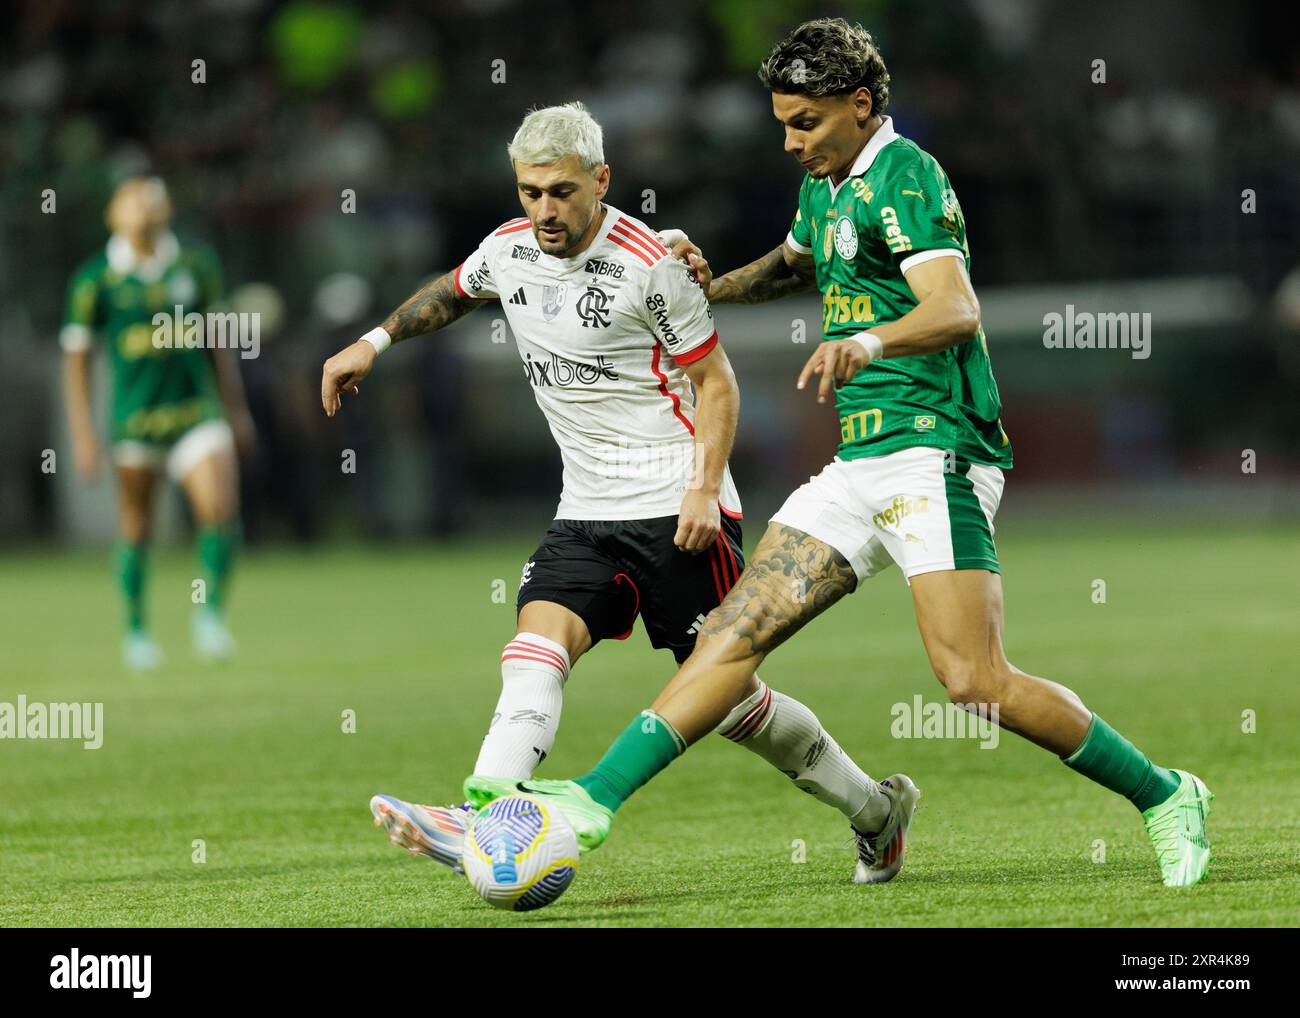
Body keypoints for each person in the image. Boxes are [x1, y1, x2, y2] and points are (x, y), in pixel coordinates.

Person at [463, 22, 1214, 889]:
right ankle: (591, 804)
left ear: (861, 106)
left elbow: (957, 306)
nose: (791, 141)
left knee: (972, 680)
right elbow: (797, 260)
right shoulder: (828, 185)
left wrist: (873, 343)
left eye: (806, 122)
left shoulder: (906, 175)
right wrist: (708, 283)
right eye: (783, 122)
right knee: (726, 641)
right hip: (861, 464)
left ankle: (1166, 794)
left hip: (937, 451)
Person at [321, 102, 896, 880]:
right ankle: (483, 816)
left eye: (560, 192)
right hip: (584, 510)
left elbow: (715, 385)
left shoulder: (651, 261)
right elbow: (457, 290)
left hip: (676, 506)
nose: (544, 211)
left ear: (602, 180)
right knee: (534, 650)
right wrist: (372, 341)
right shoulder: (510, 249)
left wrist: (701, 491)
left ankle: (875, 810)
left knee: (731, 703)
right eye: (529, 192)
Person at [62, 177, 251, 669]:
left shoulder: (194, 263)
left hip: (195, 411)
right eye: (133, 201)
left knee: (218, 505)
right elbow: (77, 360)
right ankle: (136, 630)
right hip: (136, 420)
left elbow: (219, 341)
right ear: (113, 215)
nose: (145, 208)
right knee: (136, 525)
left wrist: (235, 408)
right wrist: (83, 435)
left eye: (153, 199)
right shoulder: (95, 279)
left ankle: (209, 617)